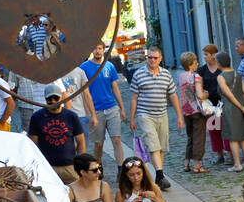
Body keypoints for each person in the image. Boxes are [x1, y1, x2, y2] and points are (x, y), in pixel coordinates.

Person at [128, 48, 183, 189]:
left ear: (160, 59)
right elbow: (134, 98)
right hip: (144, 114)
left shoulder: (166, 74)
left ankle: (159, 176)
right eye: (150, 57)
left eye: (155, 58)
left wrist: (179, 116)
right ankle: (160, 174)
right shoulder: (138, 74)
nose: (152, 60)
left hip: (162, 114)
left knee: (161, 147)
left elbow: (173, 95)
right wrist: (132, 118)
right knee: (153, 145)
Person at [28, 82, 86, 184]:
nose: (53, 101)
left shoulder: (71, 116)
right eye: (49, 99)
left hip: (69, 167)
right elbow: (33, 145)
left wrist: (80, 165)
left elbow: (81, 141)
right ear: (45, 99)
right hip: (47, 167)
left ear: (61, 98)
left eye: (56, 98)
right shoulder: (37, 117)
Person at [79, 43, 126, 167]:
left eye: (100, 48)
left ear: (104, 50)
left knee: (117, 140)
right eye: (95, 48)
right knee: (98, 143)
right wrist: (88, 111)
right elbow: (84, 91)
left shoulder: (109, 66)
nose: (97, 51)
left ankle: (120, 168)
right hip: (96, 110)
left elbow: (115, 88)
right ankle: (98, 165)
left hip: (111, 107)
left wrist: (122, 108)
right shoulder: (84, 67)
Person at [215, 52, 244, 170]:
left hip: (230, 109)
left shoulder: (221, 77)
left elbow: (229, 96)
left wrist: (242, 108)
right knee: (243, 136)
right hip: (242, 107)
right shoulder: (237, 74)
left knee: (233, 137)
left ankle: (237, 164)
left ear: (219, 63)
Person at [178, 52, 209, 174]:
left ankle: (186, 163)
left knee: (190, 137)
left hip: (186, 111)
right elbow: (200, 95)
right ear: (190, 64)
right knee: (199, 138)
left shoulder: (181, 76)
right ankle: (197, 165)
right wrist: (206, 94)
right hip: (196, 110)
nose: (197, 64)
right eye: (196, 62)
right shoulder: (196, 77)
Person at [198, 44, 226, 163]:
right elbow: (199, 85)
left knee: (226, 129)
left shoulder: (221, 68)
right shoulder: (202, 70)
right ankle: (219, 155)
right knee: (214, 130)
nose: (204, 57)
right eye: (203, 54)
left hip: (222, 103)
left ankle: (230, 153)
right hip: (209, 104)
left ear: (213, 55)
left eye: (206, 54)